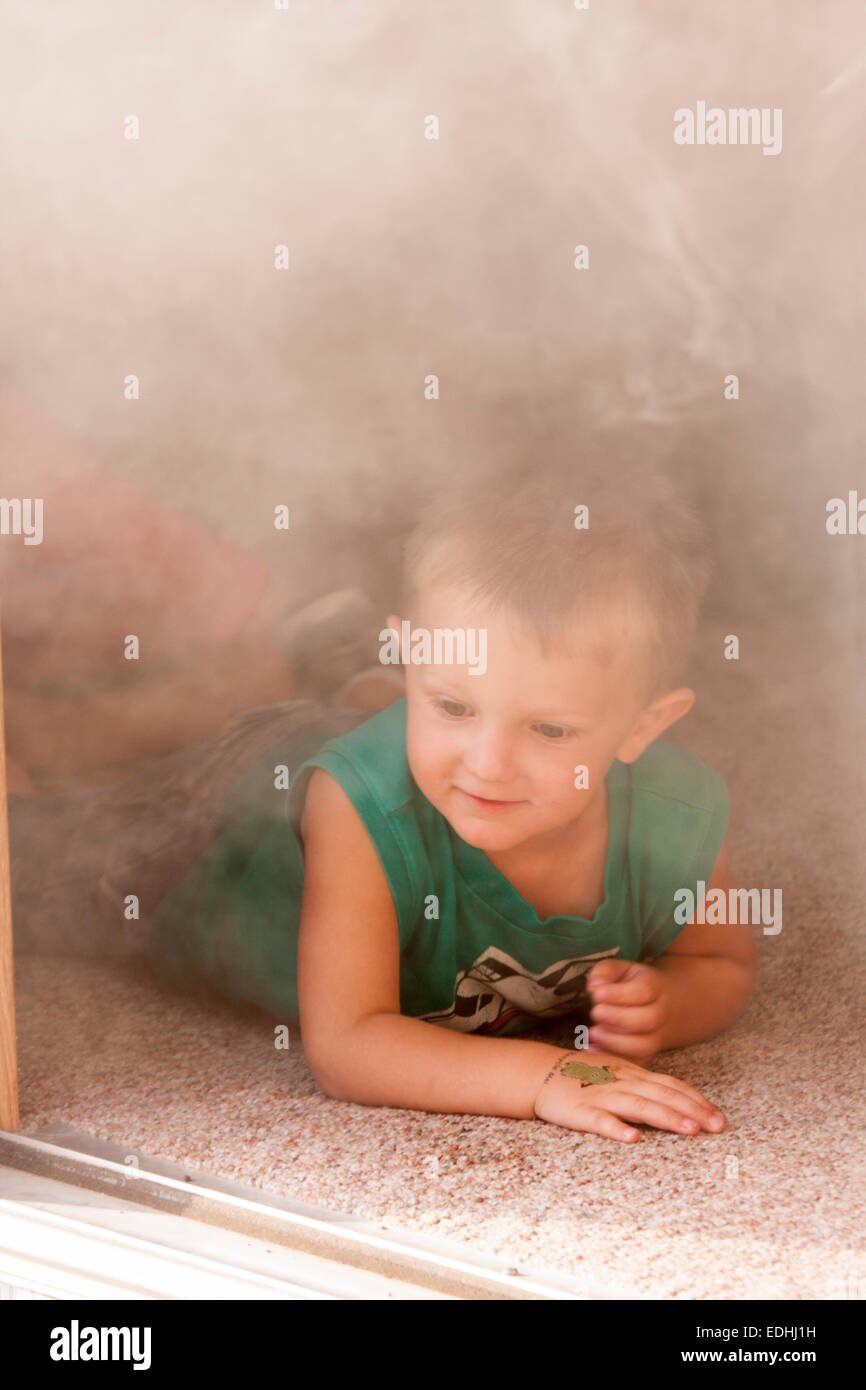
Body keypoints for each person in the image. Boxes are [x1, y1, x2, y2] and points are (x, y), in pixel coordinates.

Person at [11, 471, 757, 1144]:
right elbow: (349, 1045)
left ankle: (335, 666)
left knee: (378, 728)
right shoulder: (356, 805)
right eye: (455, 704)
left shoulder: (681, 814)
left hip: (380, 739)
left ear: (643, 727)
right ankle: (67, 722)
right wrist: (547, 1078)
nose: (490, 764)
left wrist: (669, 1003)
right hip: (207, 829)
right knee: (32, 859)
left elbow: (717, 961)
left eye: (550, 728)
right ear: (415, 664)